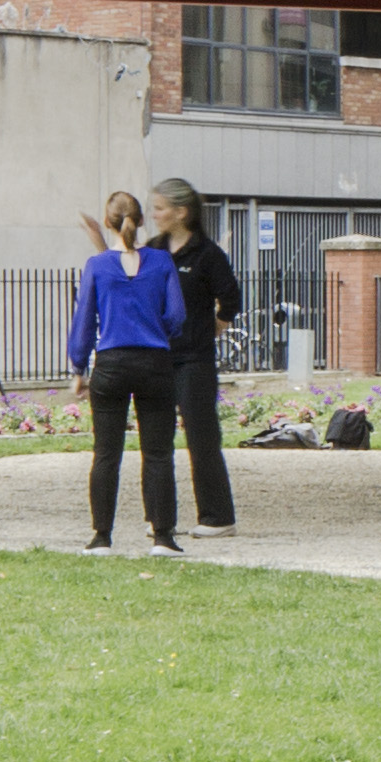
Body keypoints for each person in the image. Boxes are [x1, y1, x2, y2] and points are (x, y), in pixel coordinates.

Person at [66, 186, 189, 551]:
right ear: (140, 221)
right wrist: (156, 331)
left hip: (112, 363)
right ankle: (163, 536)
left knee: (106, 453)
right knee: (158, 453)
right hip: (154, 362)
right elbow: (177, 315)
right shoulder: (162, 262)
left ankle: (102, 535)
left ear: (108, 223)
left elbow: (84, 320)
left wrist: (78, 367)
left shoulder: (97, 266)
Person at [150, 175, 241, 535]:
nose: (154, 214)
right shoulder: (153, 249)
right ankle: (159, 518)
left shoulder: (207, 255)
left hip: (194, 359)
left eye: (159, 208)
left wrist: (212, 329)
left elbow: (231, 300)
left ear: (181, 212)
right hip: (156, 356)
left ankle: (218, 517)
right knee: (156, 440)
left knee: (201, 438)